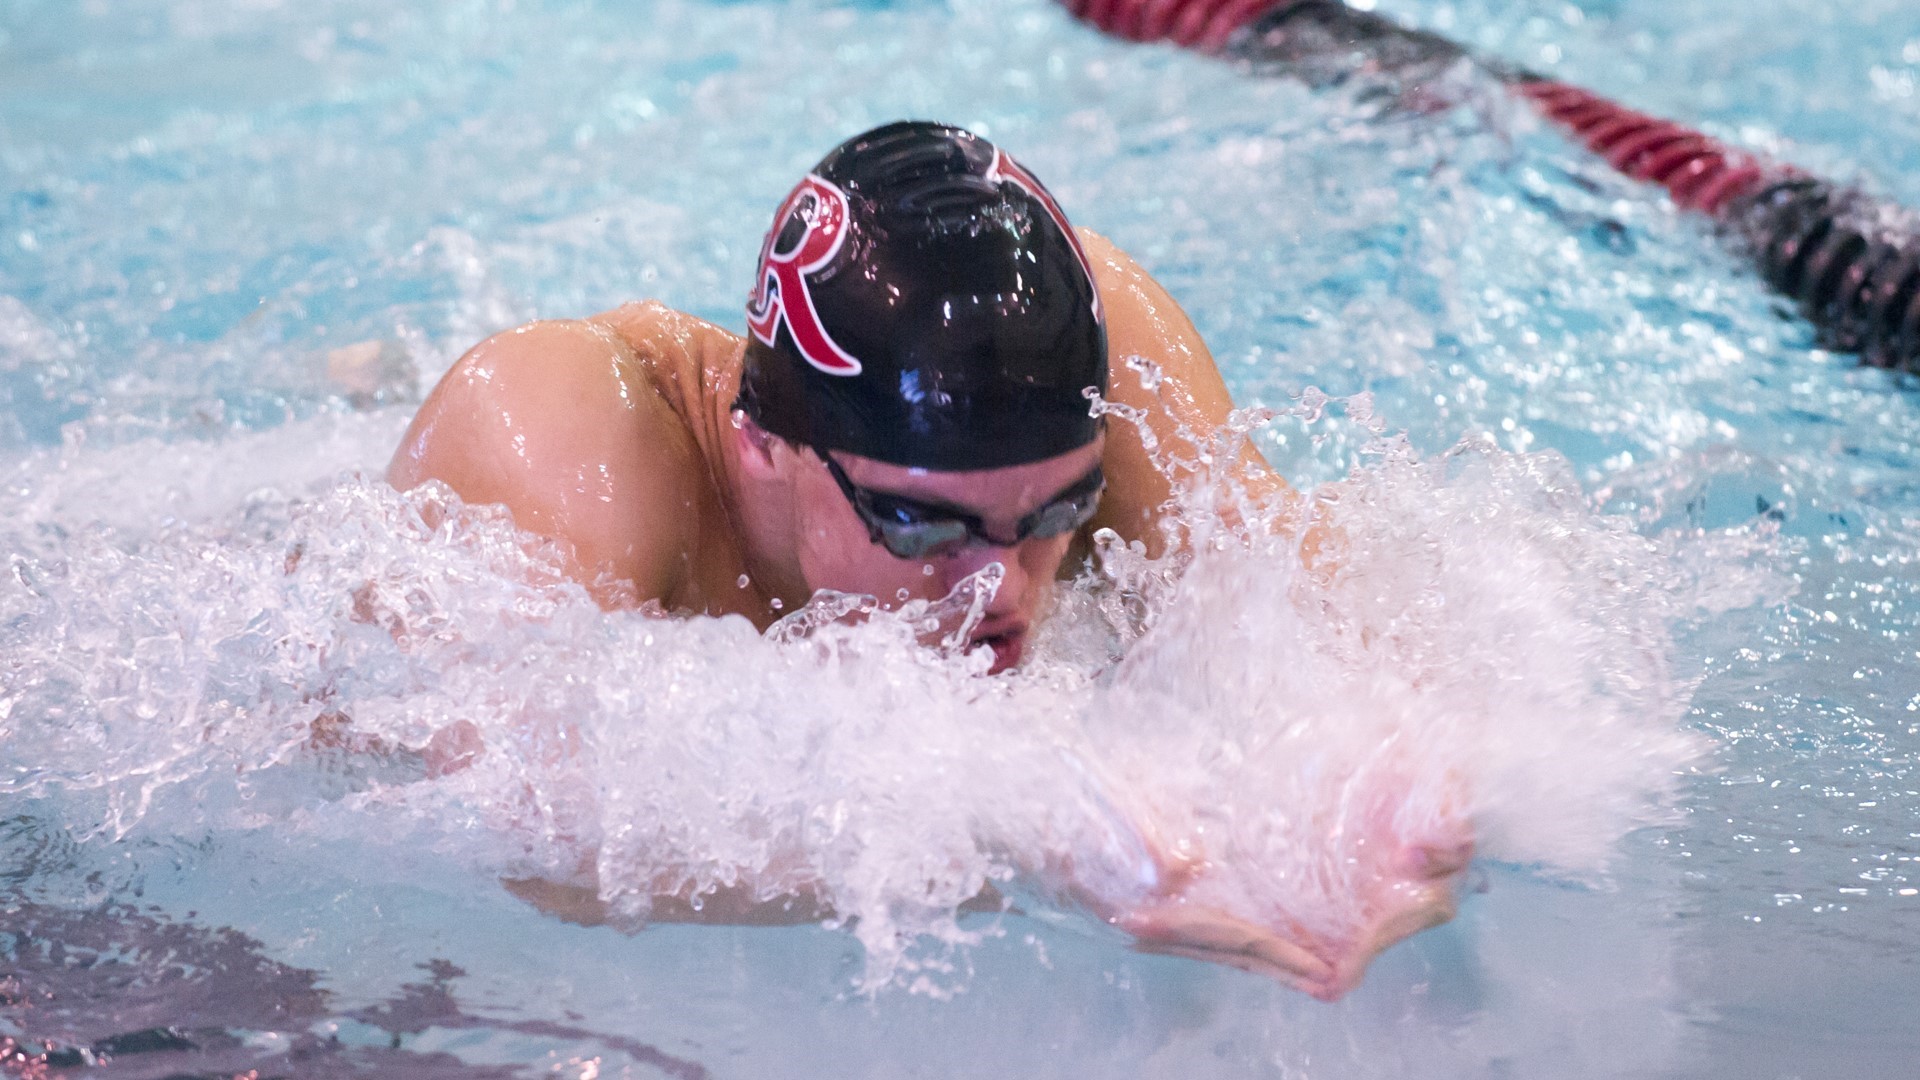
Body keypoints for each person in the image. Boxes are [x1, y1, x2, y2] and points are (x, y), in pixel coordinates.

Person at [389, 120, 1465, 999]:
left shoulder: (1093, 337)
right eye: (923, 528)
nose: (999, 584)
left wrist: (1383, 766)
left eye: (1058, 512)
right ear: (764, 443)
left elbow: (1285, 579)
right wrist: (1009, 820)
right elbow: (529, 821)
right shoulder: (567, 439)